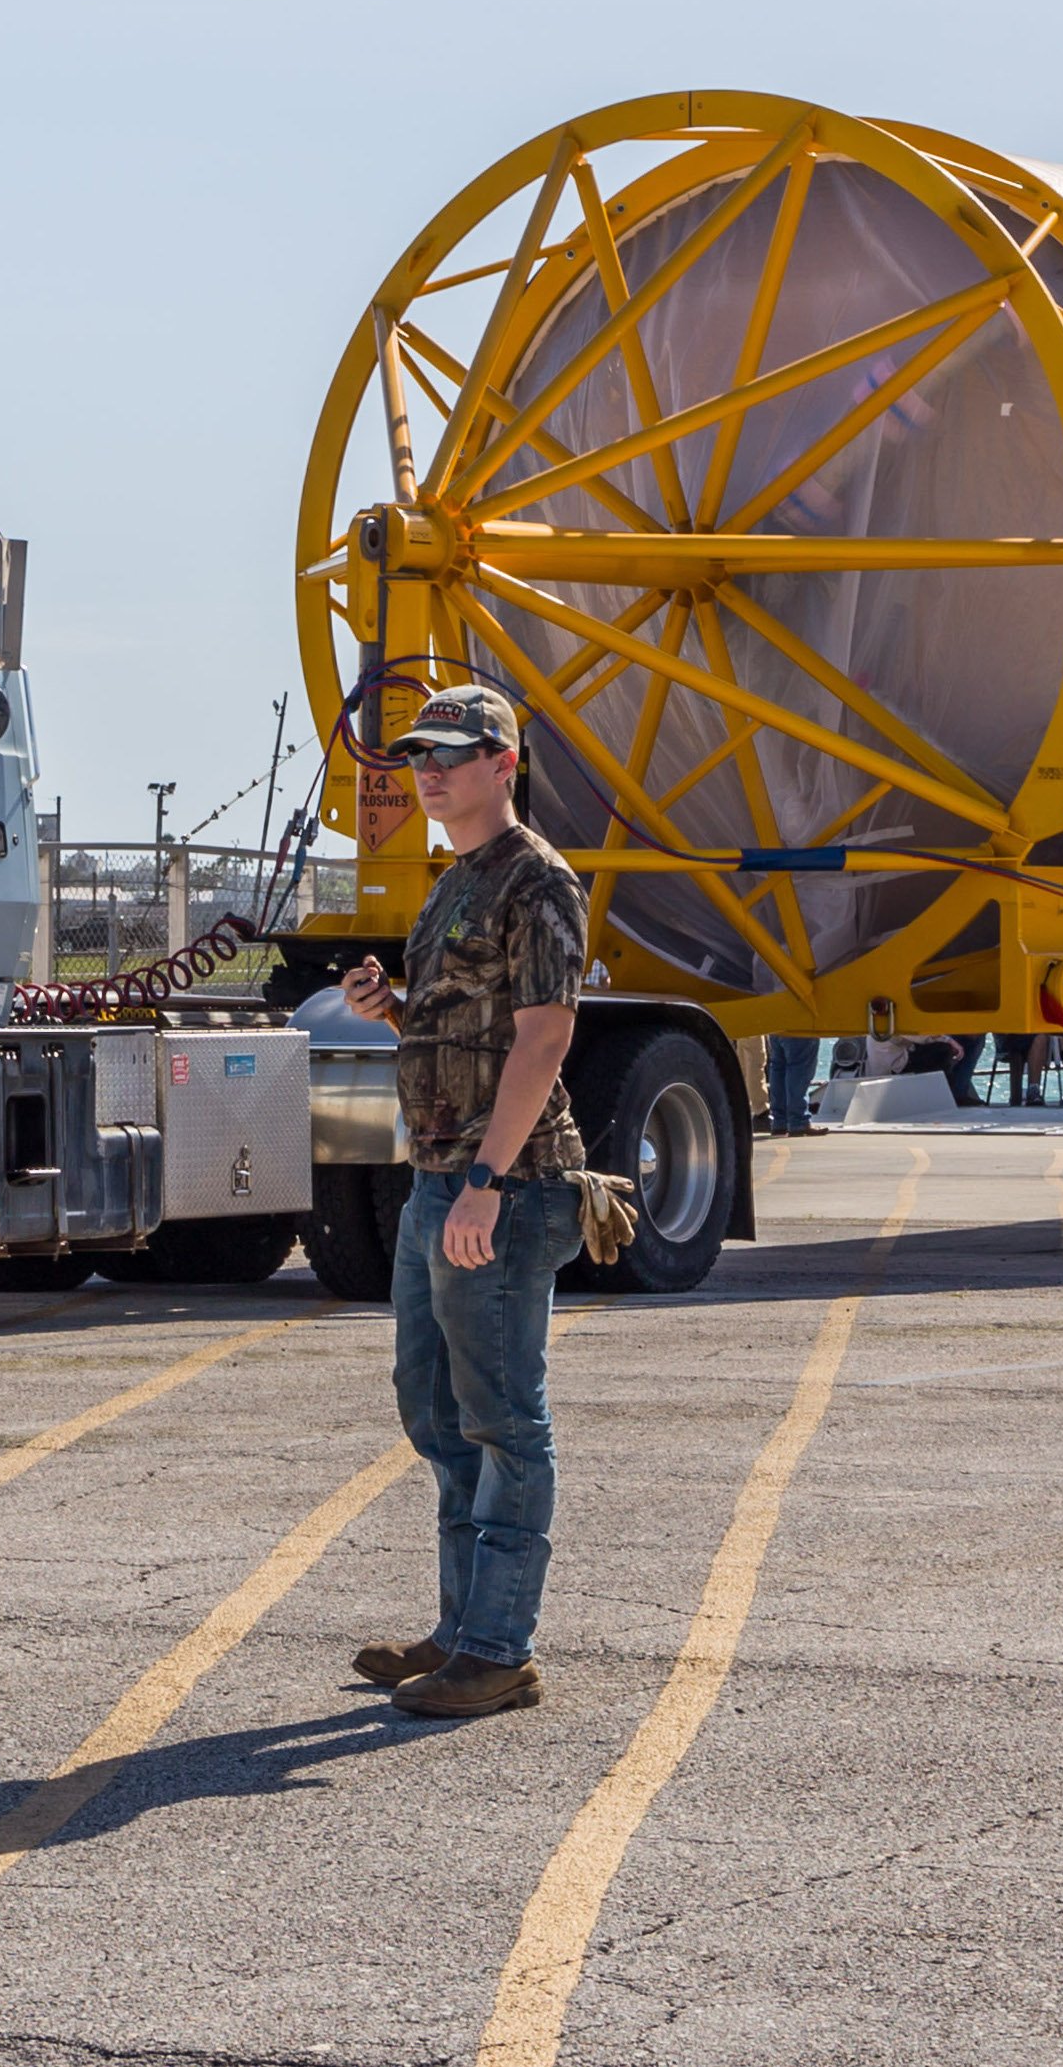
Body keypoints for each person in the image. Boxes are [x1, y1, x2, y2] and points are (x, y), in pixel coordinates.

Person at [334, 685, 588, 1721]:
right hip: (440, 1174)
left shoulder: (538, 880)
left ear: (503, 760)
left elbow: (543, 1037)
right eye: (415, 753)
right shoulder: (451, 883)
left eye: (448, 750)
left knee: (502, 1421)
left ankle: (498, 1649)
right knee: (434, 1411)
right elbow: (462, 1031)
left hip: (505, 1184)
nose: (425, 768)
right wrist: (389, 1009)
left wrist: (484, 1181)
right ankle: (457, 1630)